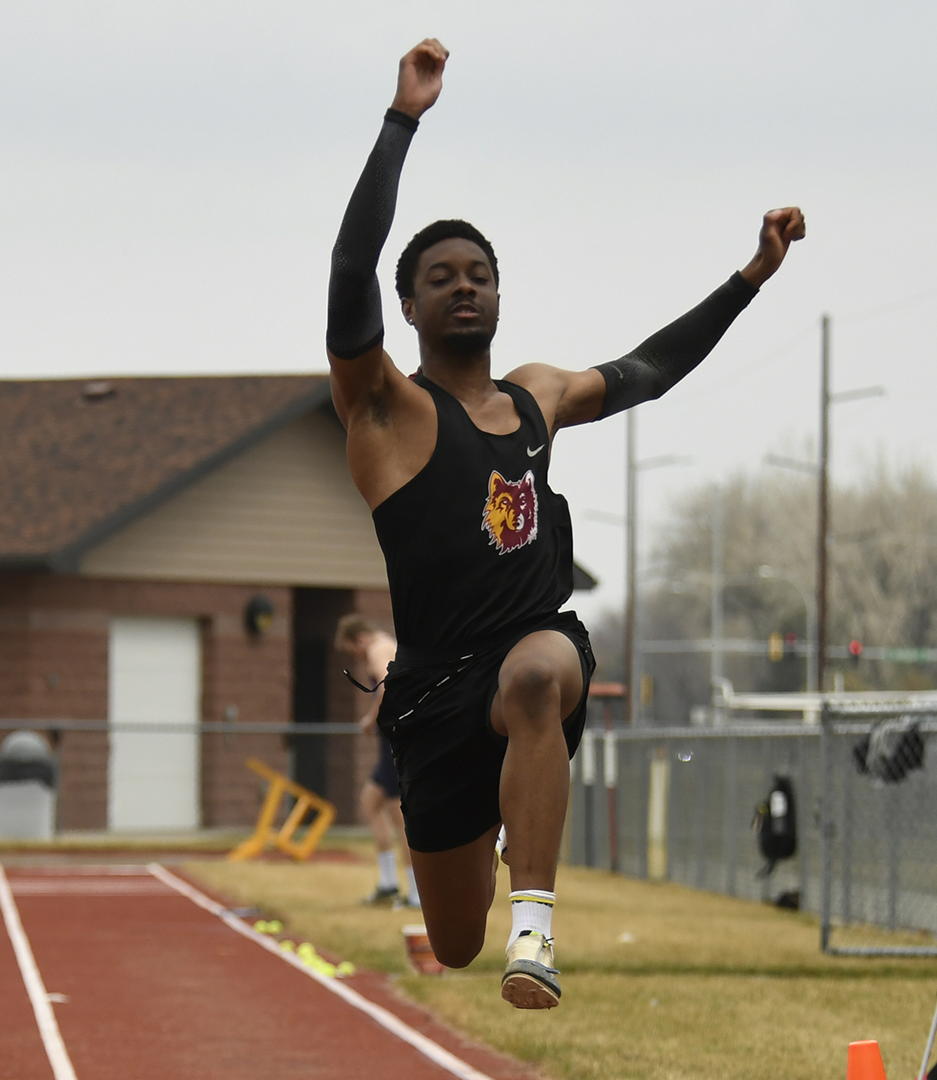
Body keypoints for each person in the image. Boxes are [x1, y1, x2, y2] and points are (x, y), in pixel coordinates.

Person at [325, 39, 803, 1009]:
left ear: (500, 294)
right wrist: (402, 119)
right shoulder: (388, 412)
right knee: (453, 944)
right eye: (442, 277)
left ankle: (536, 929)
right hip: (432, 690)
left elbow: (651, 369)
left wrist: (752, 274)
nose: (465, 286)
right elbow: (347, 269)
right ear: (409, 304)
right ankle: (497, 846)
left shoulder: (539, 396)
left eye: (481, 274)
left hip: (531, 646)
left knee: (541, 671)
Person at [334, 614, 419, 909]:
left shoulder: (377, 649)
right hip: (397, 738)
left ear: (359, 639)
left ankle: (414, 892)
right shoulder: (387, 643)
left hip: (396, 739)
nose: (355, 658)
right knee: (374, 805)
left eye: (351, 651)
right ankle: (390, 884)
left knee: (397, 816)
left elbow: (386, 686)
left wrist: (371, 720)